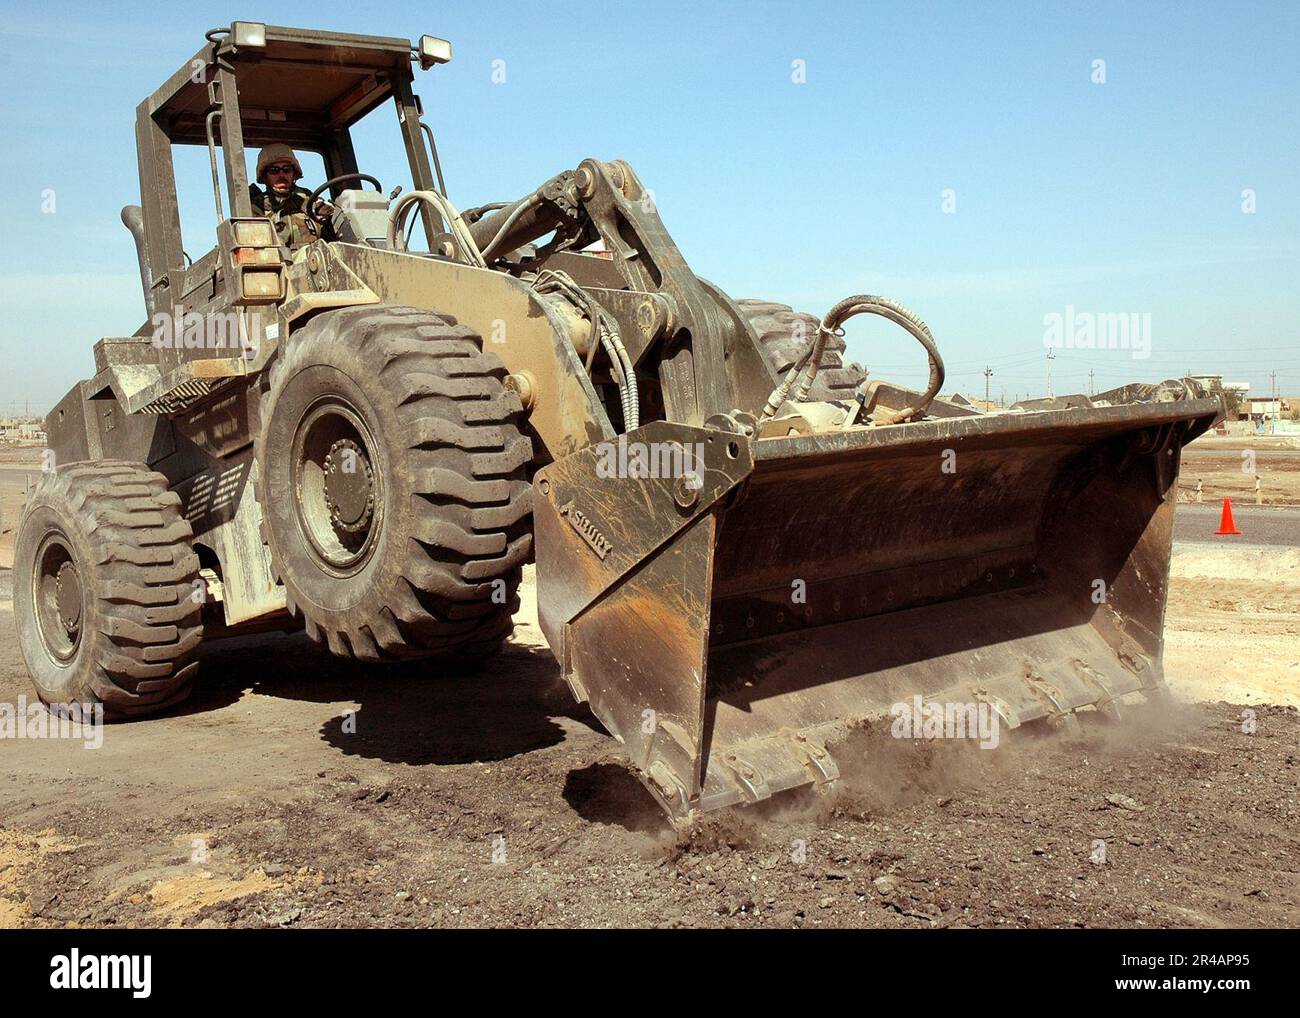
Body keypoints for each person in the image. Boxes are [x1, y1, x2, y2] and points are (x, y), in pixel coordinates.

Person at [248, 143, 333, 250]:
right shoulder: (256, 209)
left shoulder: (309, 200)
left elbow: (334, 220)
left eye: (287, 169)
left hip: (319, 260)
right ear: (264, 176)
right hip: (279, 264)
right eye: (274, 170)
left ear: (294, 173)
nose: (281, 175)